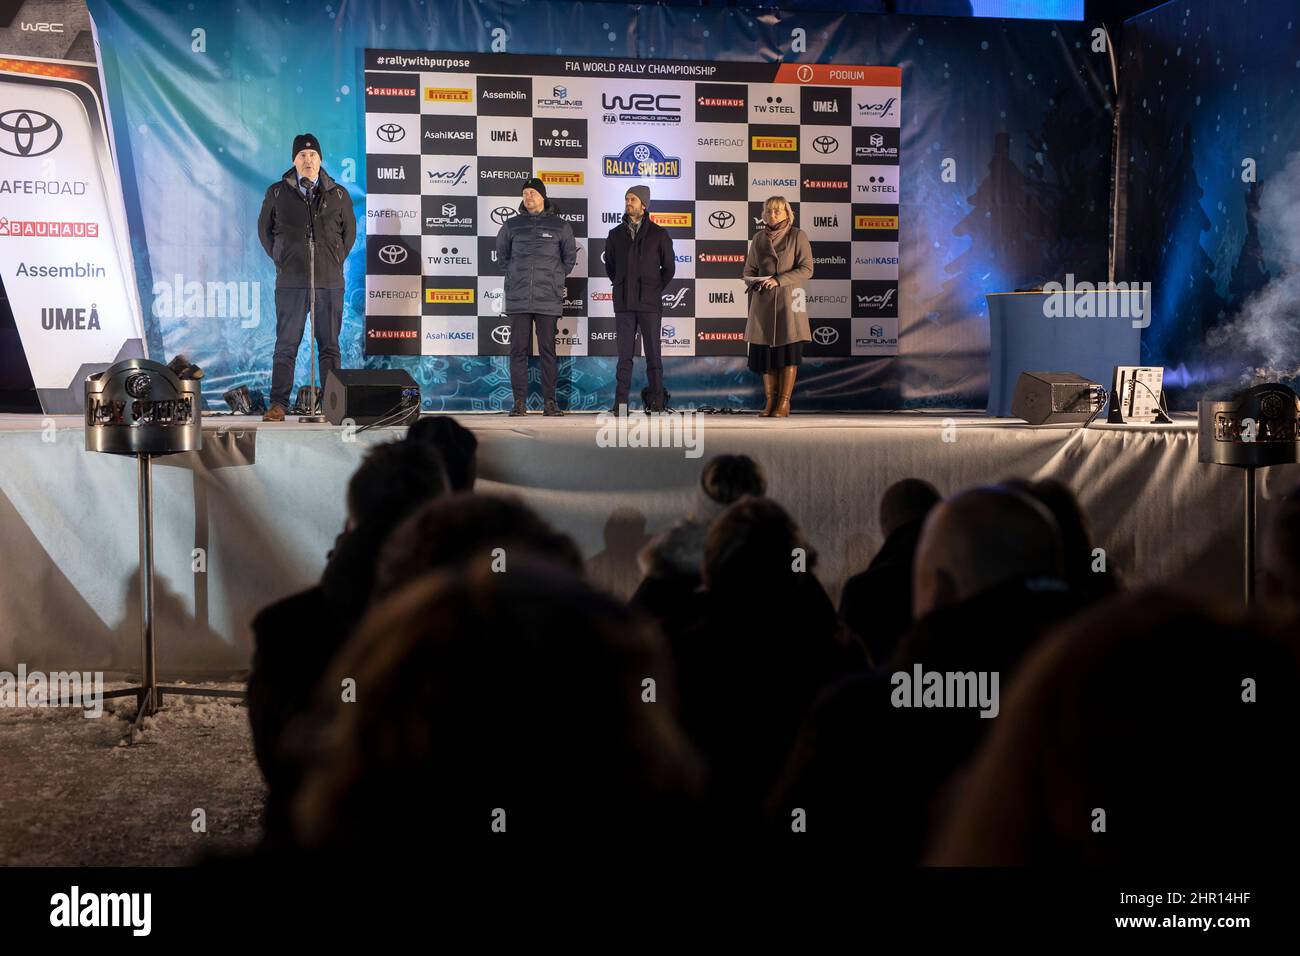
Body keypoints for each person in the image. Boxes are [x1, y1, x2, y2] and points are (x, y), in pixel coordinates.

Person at [257, 133, 356, 422]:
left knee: (329, 346)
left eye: (312, 155)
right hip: (291, 282)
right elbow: (265, 232)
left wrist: (334, 259)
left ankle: (333, 404)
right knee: (286, 345)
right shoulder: (277, 192)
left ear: (320, 159)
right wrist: (282, 259)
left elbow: (348, 235)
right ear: (294, 160)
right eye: (302, 155)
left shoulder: (337, 194)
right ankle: (278, 405)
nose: (308, 159)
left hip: (329, 282)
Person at [495, 177, 577, 417]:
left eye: (533, 192)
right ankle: (519, 403)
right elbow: (502, 258)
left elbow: (569, 259)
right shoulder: (511, 225)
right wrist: (513, 274)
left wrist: (556, 277)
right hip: (519, 298)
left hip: (547, 297)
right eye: (525, 193)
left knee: (548, 351)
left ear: (543, 196)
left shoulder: (560, 226)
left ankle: (549, 403)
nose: (528, 196)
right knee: (518, 350)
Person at [604, 185, 675, 414]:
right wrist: (622, 285)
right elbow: (611, 267)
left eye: (633, 199)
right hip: (624, 304)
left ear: (644, 204)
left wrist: (653, 290)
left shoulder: (659, 234)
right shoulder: (615, 234)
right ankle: (620, 404)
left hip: (649, 305)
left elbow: (669, 269)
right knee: (625, 357)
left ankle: (657, 402)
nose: (628, 202)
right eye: (626, 198)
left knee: (654, 356)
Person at [743, 196, 813, 417]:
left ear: (787, 214)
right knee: (766, 356)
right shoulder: (758, 238)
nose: (772, 215)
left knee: (788, 354)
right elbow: (749, 270)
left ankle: (784, 403)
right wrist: (752, 280)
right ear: (763, 214)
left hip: (790, 302)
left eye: (777, 211)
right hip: (763, 303)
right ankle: (770, 402)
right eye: (768, 211)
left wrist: (778, 280)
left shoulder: (797, 235)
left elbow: (807, 269)